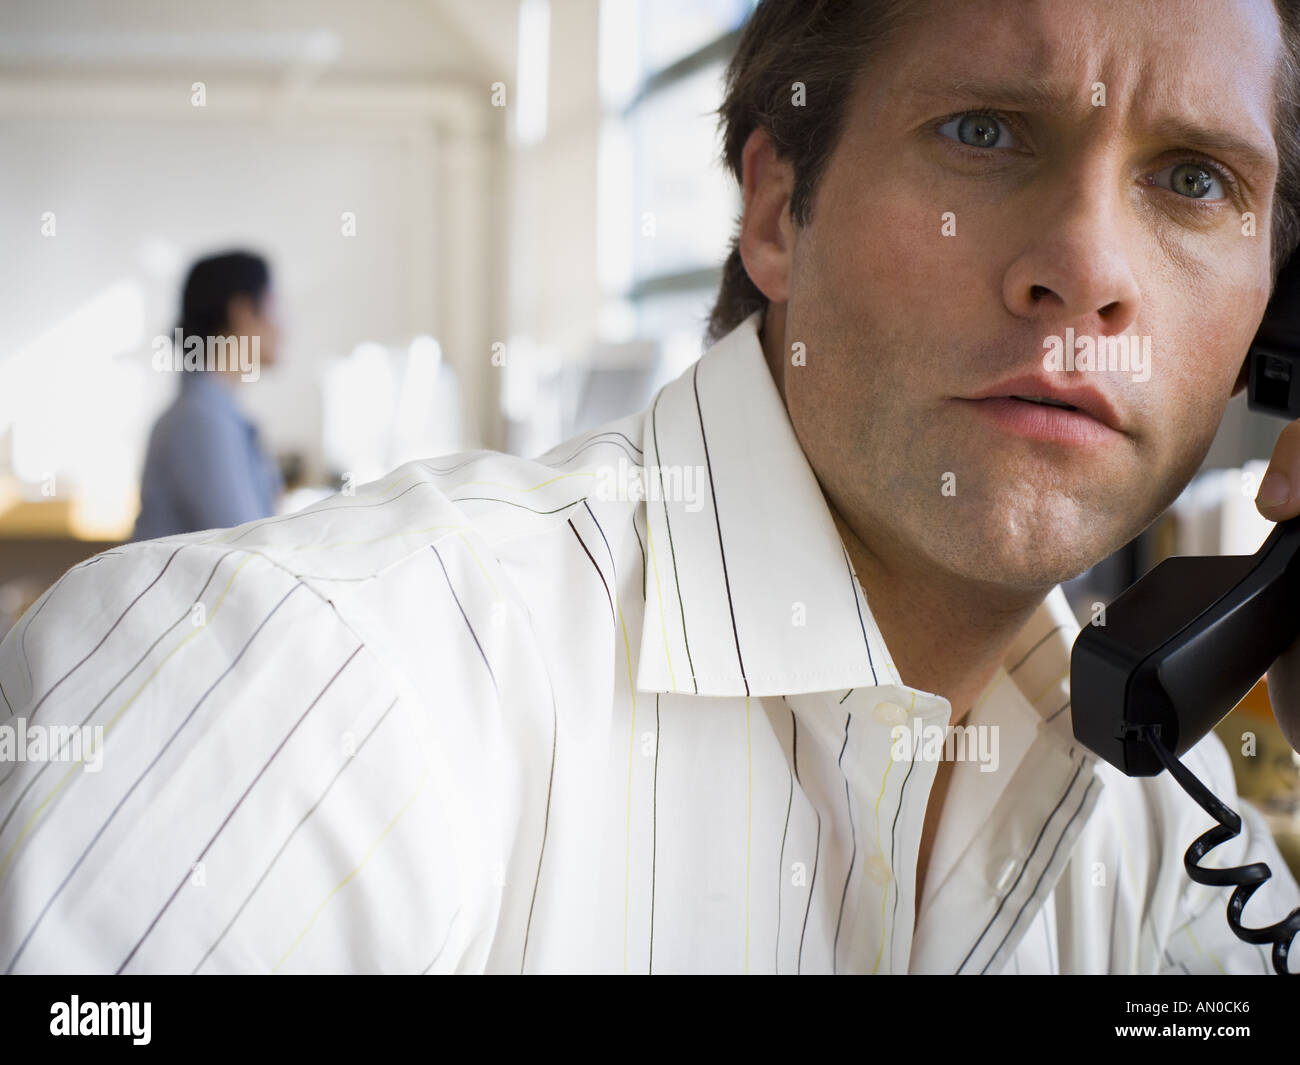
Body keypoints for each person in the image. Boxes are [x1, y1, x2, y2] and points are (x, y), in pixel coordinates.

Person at [3, 0, 1300, 974]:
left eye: (1195, 179)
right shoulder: (303, 680)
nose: (1085, 268)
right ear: (779, 208)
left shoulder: (1158, 829)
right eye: (983, 131)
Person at [130, 251, 284, 540]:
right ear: (243, 312)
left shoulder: (215, 414)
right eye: (276, 306)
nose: (284, 327)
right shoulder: (199, 421)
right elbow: (250, 547)